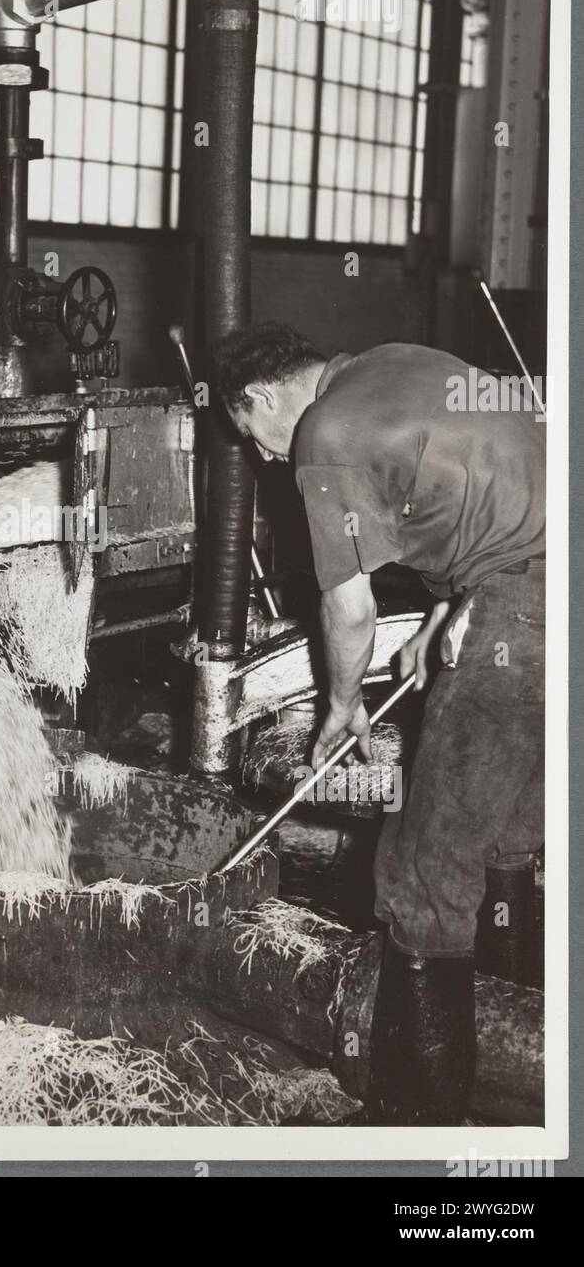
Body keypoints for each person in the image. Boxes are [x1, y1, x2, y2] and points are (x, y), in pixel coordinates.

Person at [217, 322, 545, 1124]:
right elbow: (490, 489)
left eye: (248, 434)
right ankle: (517, 1050)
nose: (262, 455)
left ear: (262, 399)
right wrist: (450, 610)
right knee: (501, 836)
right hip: (540, 576)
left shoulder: (323, 436)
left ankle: (416, 1120)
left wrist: (339, 708)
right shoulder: (401, 361)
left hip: (528, 609)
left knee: (420, 871)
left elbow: (348, 606)